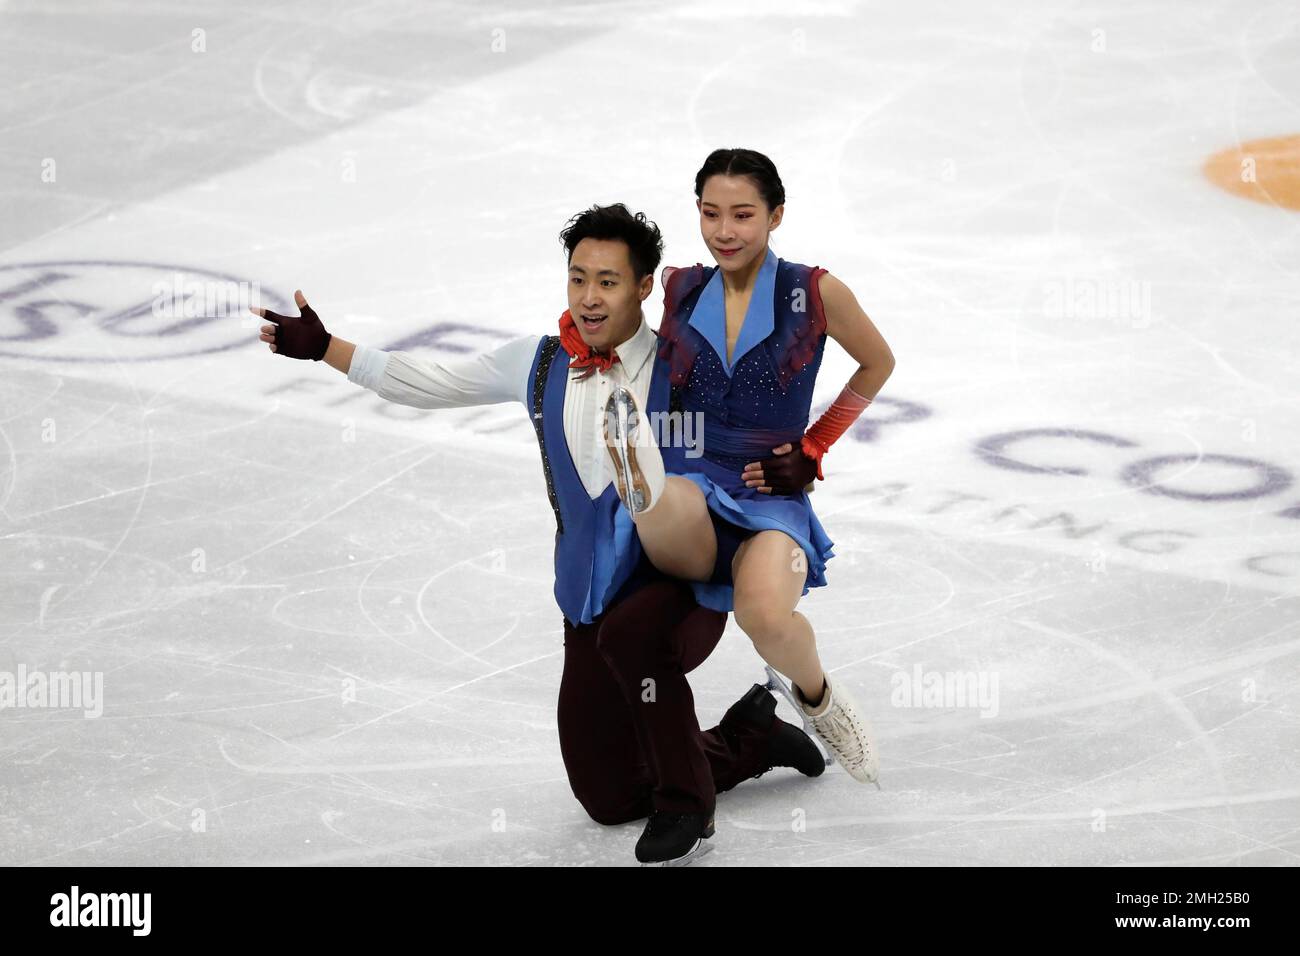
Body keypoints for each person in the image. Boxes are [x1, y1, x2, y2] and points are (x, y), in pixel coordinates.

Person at [250, 203, 825, 866]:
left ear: (644, 286)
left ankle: (688, 807)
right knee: (608, 797)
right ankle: (751, 735)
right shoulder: (542, 363)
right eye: (578, 278)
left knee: (634, 637)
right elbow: (430, 382)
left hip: (680, 588)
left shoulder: (683, 369)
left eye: (607, 281)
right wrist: (326, 349)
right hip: (589, 599)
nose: (588, 297)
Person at [602, 148, 897, 786]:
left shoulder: (814, 292)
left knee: (764, 616)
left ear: (775, 216)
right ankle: (641, 491)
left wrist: (815, 447)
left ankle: (817, 696)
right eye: (711, 214)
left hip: (767, 494)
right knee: (663, 494)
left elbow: (878, 363)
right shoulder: (681, 287)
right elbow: (622, 344)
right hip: (689, 476)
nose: (724, 232)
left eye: (742, 215)